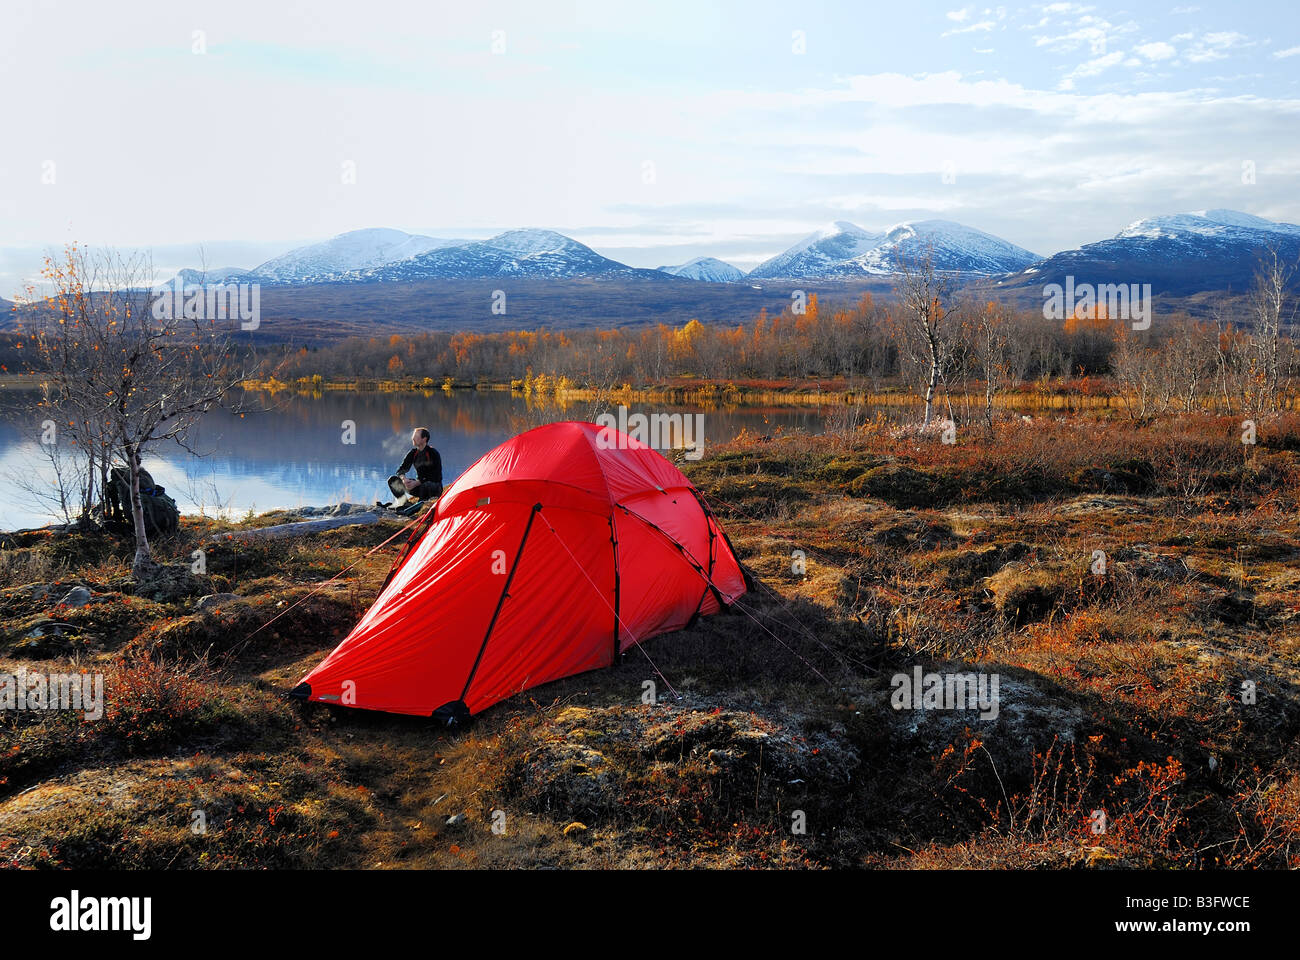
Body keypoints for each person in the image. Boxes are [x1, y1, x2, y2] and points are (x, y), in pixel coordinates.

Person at [390, 427, 443, 502]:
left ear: (424, 439)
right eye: (413, 436)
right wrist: (404, 479)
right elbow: (401, 469)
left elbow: (436, 476)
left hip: (434, 487)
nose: (413, 438)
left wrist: (417, 482)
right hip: (419, 485)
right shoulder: (413, 453)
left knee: (426, 485)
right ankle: (403, 503)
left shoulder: (433, 453)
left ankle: (422, 504)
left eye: (416, 436)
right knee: (393, 480)